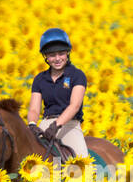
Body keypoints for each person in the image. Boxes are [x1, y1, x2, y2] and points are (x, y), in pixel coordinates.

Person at [27, 27, 90, 161]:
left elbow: (74, 105)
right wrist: (32, 124)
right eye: (51, 55)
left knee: (83, 166)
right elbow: (34, 108)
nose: (57, 58)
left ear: (67, 53)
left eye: (61, 53)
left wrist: (57, 125)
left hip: (69, 126)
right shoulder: (39, 79)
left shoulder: (77, 75)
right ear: (46, 57)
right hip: (45, 125)